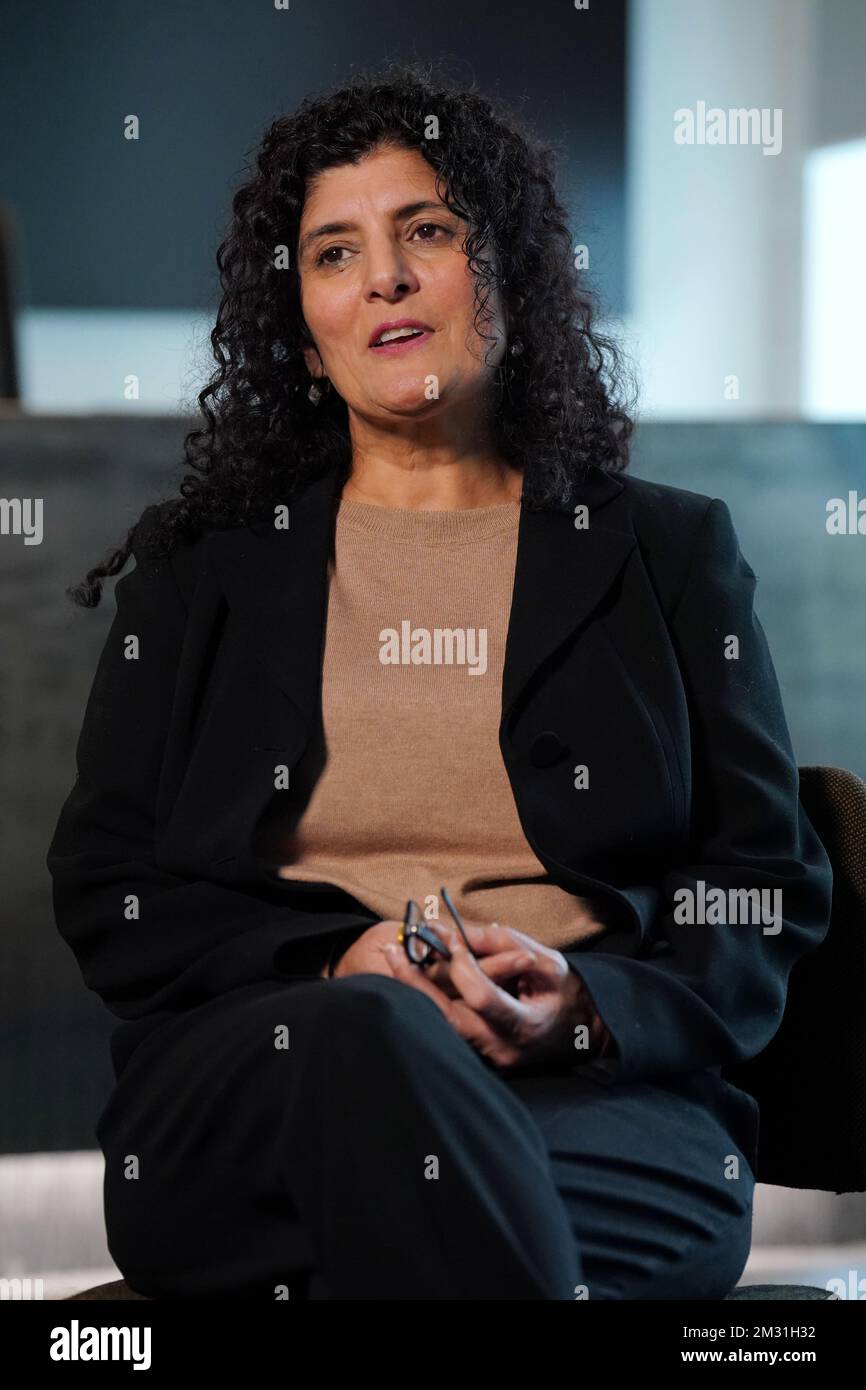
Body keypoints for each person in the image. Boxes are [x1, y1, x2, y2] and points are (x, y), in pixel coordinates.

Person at [47, 64, 833, 1301]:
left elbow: (760, 885)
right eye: (333, 254)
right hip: (270, 1073)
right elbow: (109, 888)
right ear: (302, 333)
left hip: (587, 1101)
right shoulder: (201, 571)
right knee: (380, 1055)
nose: (385, 280)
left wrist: (582, 1001)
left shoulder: (667, 551)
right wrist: (337, 967)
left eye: (426, 231)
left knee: (415, 1217)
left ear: (506, 277)